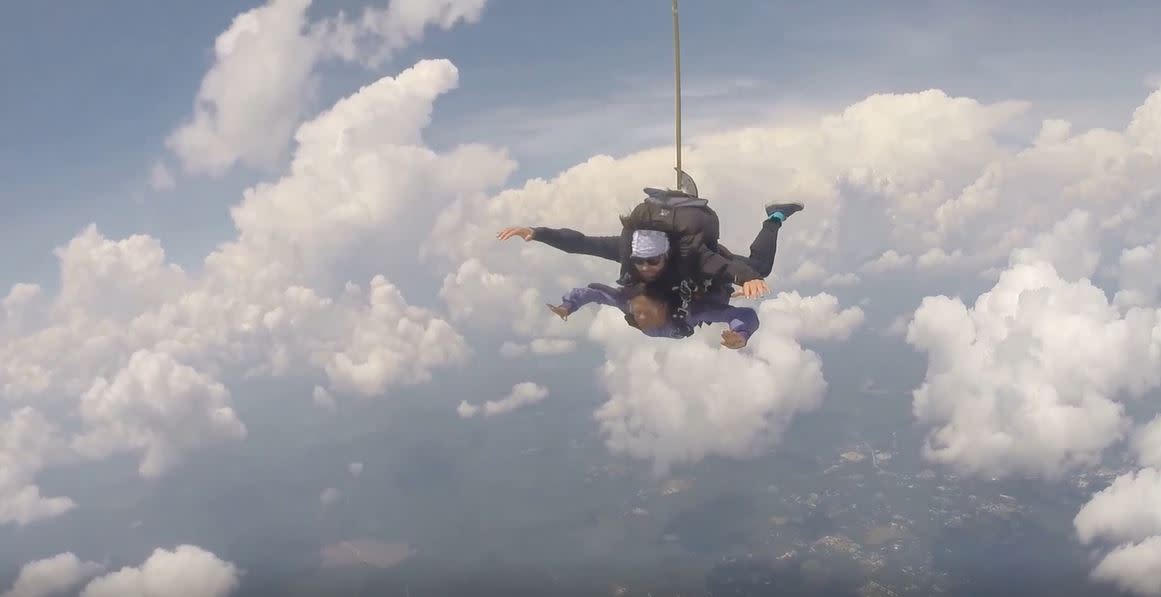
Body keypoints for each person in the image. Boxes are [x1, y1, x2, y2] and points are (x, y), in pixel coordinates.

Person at [545, 281, 758, 349]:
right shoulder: (690, 313)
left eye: (644, 312)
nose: (641, 315)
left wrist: (568, 305)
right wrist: (741, 335)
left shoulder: (691, 312)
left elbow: (594, 293)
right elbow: (594, 293)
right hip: (686, 312)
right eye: (639, 312)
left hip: (685, 308)